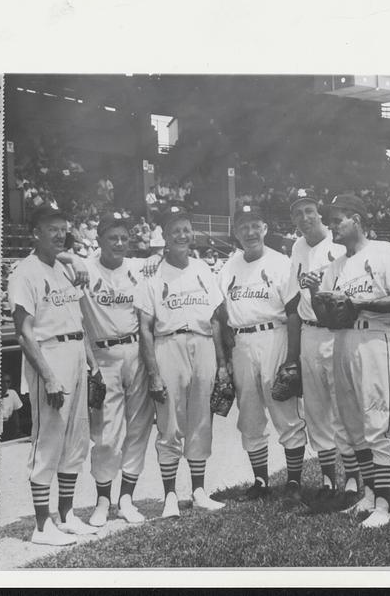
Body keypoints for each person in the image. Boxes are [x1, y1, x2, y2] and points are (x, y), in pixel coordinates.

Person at [312, 195, 390, 528]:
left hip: (374, 337)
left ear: (356, 219)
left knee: (377, 421)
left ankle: (386, 504)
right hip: (342, 340)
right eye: (329, 221)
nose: (332, 227)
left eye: (337, 220)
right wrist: (320, 300)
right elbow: (326, 315)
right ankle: (369, 496)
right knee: (353, 424)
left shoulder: (384, 251)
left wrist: (357, 302)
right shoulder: (335, 266)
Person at [7, 204, 101, 546]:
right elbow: (23, 333)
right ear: (36, 233)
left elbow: (77, 321)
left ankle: (66, 515)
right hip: (49, 355)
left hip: (75, 351)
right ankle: (42, 525)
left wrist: (92, 363)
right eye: (52, 229)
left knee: (76, 440)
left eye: (63, 228)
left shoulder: (63, 267)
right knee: (47, 439)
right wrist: (47, 377)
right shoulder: (24, 272)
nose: (60, 234)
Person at [135, 205, 230, 518]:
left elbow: (216, 320)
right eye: (174, 229)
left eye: (186, 228)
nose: (181, 235)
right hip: (168, 344)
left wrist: (221, 362)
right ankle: (170, 496)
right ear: (164, 235)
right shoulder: (152, 274)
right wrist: (153, 374)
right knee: (169, 424)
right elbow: (145, 330)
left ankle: (200, 491)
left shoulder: (203, 269)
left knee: (201, 420)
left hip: (202, 343)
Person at [69, 212, 156, 527]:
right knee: (106, 435)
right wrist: (74, 258)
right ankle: (103, 500)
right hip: (102, 355)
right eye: (112, 238)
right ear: (100, 241)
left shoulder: (138, 269)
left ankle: (127, 499)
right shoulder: (84, 269)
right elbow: (51, 259)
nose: (119, 243)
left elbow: (166, 258)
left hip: (135, 352)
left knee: (138, 428)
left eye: (123, 238)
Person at [217, 205, 308, 502]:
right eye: (243, 226)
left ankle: (294, 481)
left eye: (255, 225)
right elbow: (220, 314)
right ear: (236, 232)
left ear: (265, 228)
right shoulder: (228, 267)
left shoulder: (281, 262)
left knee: (285, 409)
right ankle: (260, 480)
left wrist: (292, 358)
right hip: (242, 342)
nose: (250, 232)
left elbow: (294, 312)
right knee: (250, 414)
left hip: (275, 336)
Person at [287, 189, 359, 507]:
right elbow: (293, 298)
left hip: (334, 331)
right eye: (298, 213)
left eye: (309, 211)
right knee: (316, 411)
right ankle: (329, 478)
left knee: (343, 407)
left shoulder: (337, 242)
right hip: (308, 333)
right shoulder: (297, 247)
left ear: (320, 212)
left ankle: (355, 479)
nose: (304, 218)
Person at [1, 373, 23, 442]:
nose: (5, 384)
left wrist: (17, 429)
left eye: (8, 381)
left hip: (9, 426)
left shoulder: (12, 393)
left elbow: (15, 413)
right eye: (2, 381)